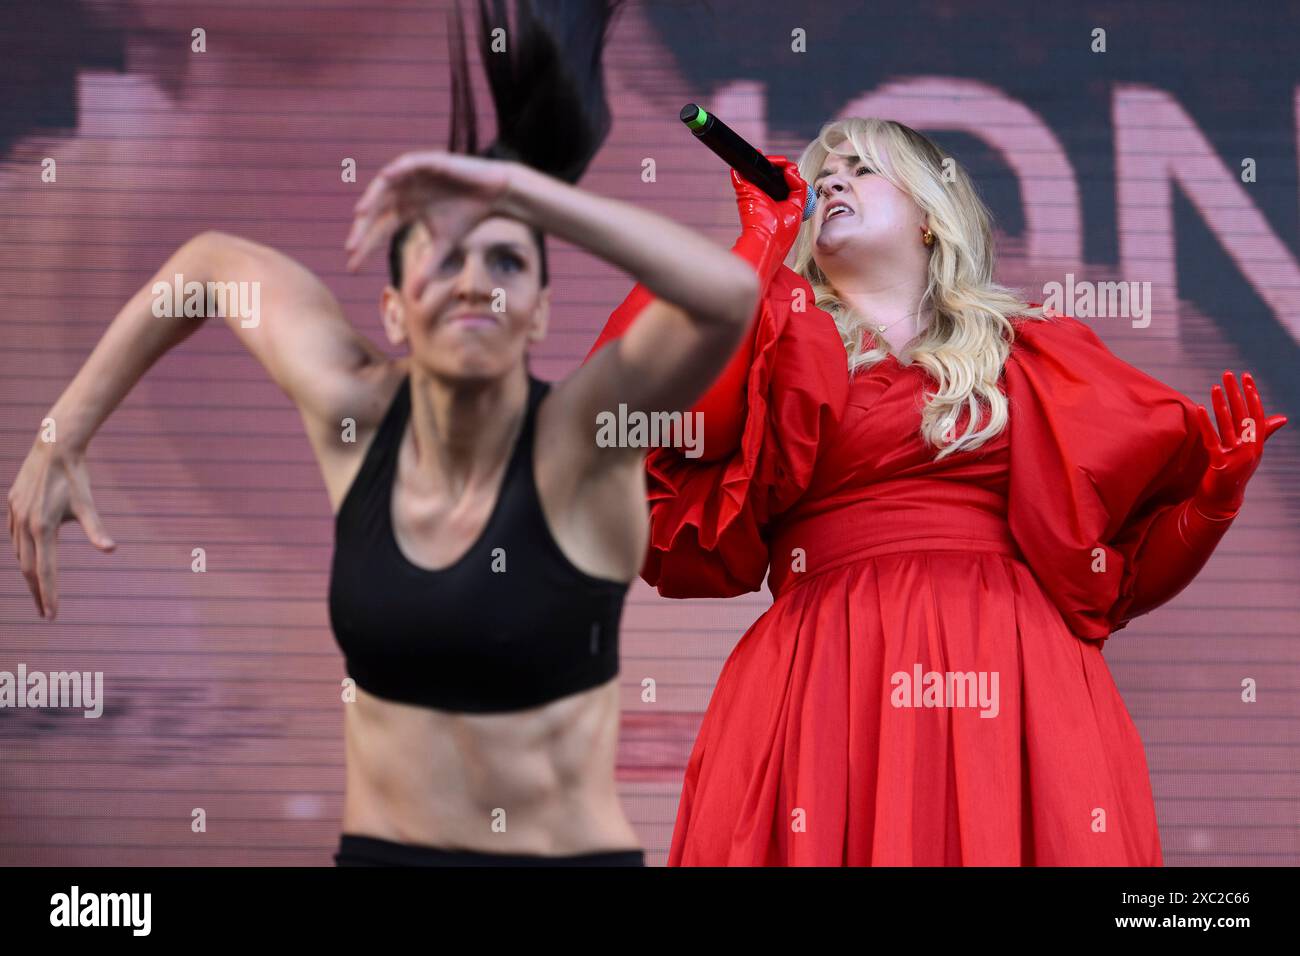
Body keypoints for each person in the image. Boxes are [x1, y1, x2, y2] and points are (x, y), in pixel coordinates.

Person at [6, 0, 762, 866]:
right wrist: (61, 434)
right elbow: (210, 264)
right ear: (393, 310)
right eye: (443, 257)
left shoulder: (581, 437)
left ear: (543, 311)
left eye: (507, 260)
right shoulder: (352, 414)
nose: (474, 278)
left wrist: (513, 189)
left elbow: (725, 294)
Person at [586, 117, 1287, 865]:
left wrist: (1210, 506)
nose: (830, 181)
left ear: (928, 215)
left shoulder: (1037, 351)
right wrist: (759, 239)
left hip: (1016, 672)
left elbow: (1115, 586)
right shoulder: (771, 334)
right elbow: (623, 408)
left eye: (860, 168)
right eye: (824, 173)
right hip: (829, 670)